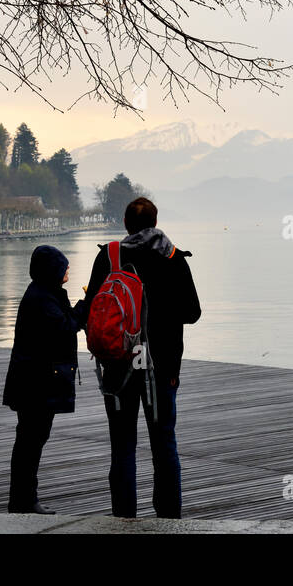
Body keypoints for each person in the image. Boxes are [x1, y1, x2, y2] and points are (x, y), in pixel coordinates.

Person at [81, 196, 201, 518]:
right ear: (156, 222)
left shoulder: (110, 256)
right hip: (160, 367)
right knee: (164, 446)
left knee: (122, 447)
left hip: (118, 365)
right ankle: (169, 518)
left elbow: (92, 308)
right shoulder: (172, 257)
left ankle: (124, 518)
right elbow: (193, 312)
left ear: (125, 225)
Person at [2, 245, 88, 514]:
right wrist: (87, 306)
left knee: (31, 440)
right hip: (34, 385)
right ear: (52, 270)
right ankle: (24, 501)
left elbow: (67, 320)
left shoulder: (45, 294)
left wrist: (82, 307)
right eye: (64, 266)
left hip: (32, 382)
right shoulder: (41, 298)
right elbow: (66, 327)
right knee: (30, 441)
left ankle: (23, 499)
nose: (68, 270)